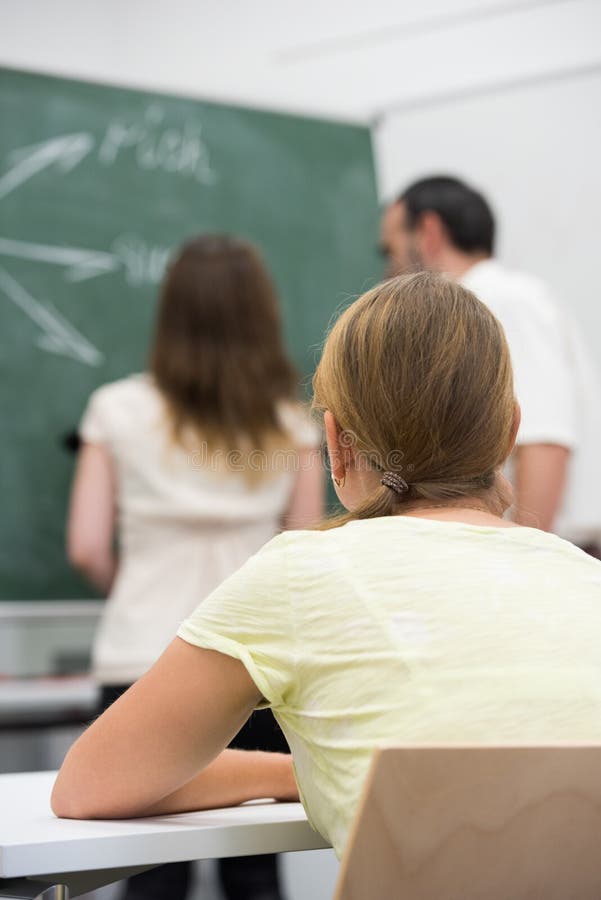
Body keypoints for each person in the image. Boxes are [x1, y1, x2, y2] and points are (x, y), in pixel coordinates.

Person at [54, 272, 601, 865]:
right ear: (510, 434)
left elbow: (87, 786)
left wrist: (286, 773)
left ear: (336, 442)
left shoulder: (302, 574)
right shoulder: (586, 578)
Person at [66, 235, 323, 900]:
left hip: (139, 658)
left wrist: (133, 593)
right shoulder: (290, 425)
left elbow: (87, 546)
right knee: (255, 870)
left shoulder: (116, 409)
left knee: (147, 875)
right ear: (261, 315)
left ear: (171, 312)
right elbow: (304, 544)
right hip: (255, 666)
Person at [380, 175, 601, 553]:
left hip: (550, 555)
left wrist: (528, 562)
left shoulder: (502, 301)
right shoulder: (504, 300)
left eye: (391, 249)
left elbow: (545, 440)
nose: (391, 267)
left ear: (428, 233)